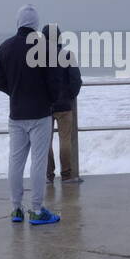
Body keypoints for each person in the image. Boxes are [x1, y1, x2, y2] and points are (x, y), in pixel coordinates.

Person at [0, 5, 63, 225]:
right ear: (36, 24)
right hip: (41, 114)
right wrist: (51, 100)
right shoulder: (46, 48)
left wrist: (14, 92)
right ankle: (36, 210)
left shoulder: (3, 48)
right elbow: (55, 82)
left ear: (18, 22)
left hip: (16, 114)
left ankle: (16, 209)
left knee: (15, 161)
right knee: (38, 162)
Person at [42, 23, 83, 184]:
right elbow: (76, 80)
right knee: (65, 140)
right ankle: (66, 175)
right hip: (65, 105)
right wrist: (71, 96)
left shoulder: (38, 58)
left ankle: (48, 176)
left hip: (45, 106)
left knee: (46, 141)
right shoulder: (67, 55)